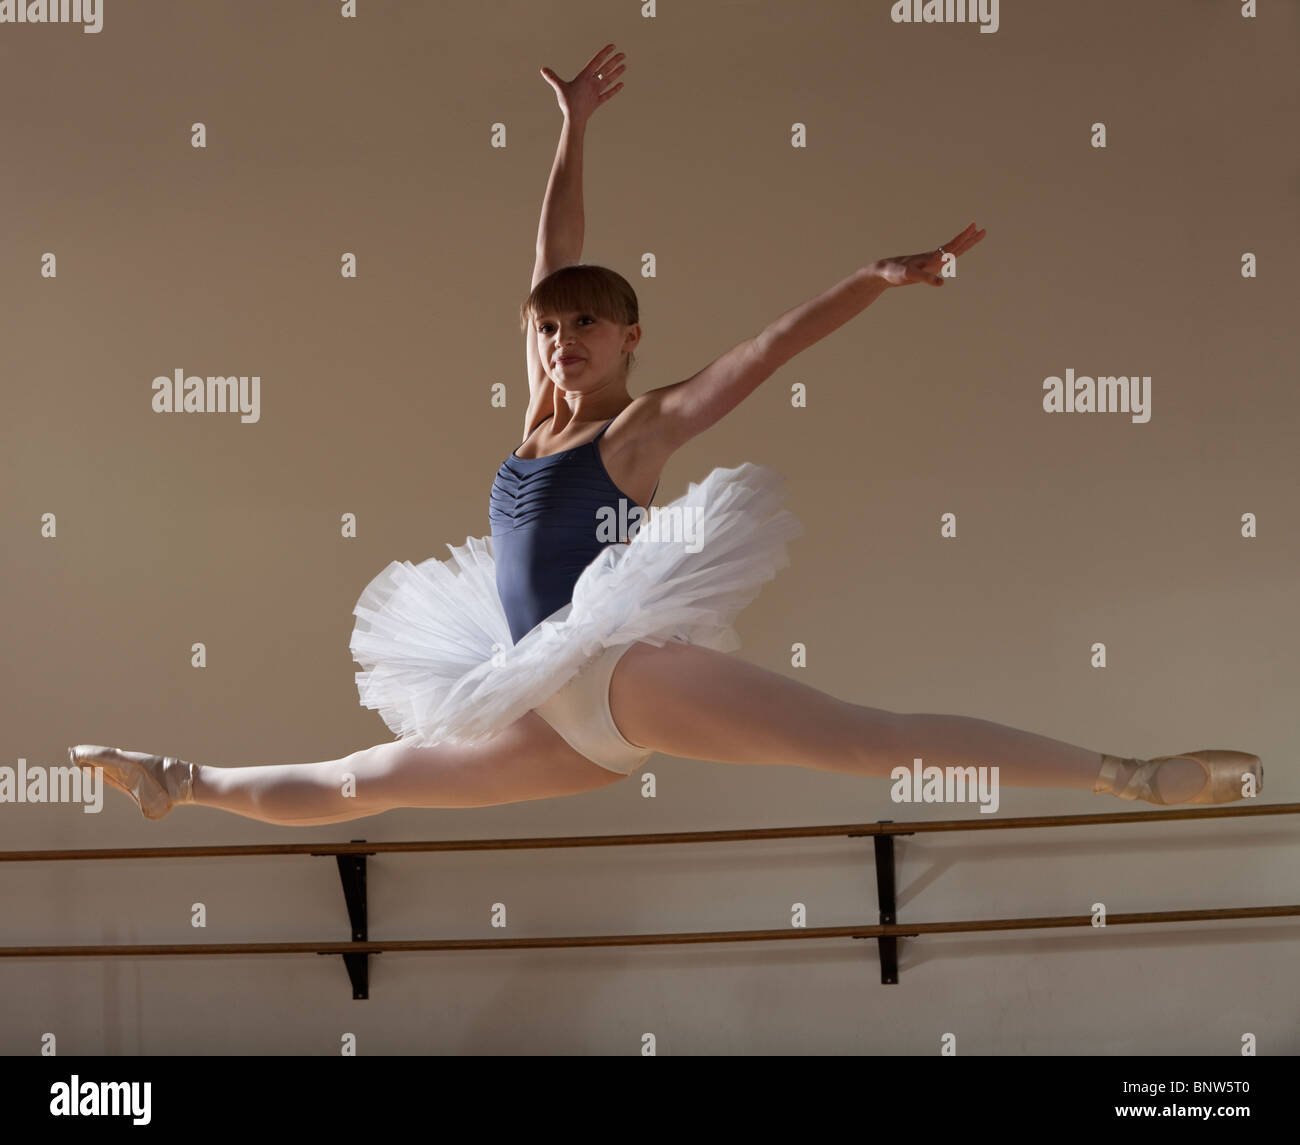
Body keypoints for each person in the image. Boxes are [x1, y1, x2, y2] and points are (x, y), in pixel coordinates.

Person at [71, 45, 1261, 825]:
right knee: (354, 782)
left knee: (861, 744)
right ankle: (176, 778)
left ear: (629, 337)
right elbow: (548, 261)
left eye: (585, 327)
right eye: (549, 333)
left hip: (619, 671)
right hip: (541, 706)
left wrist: (874, 276)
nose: (559, 343)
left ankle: (1125, 773)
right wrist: (573, 124)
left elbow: (767, 352)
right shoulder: (533, 411)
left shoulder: (636, 428)